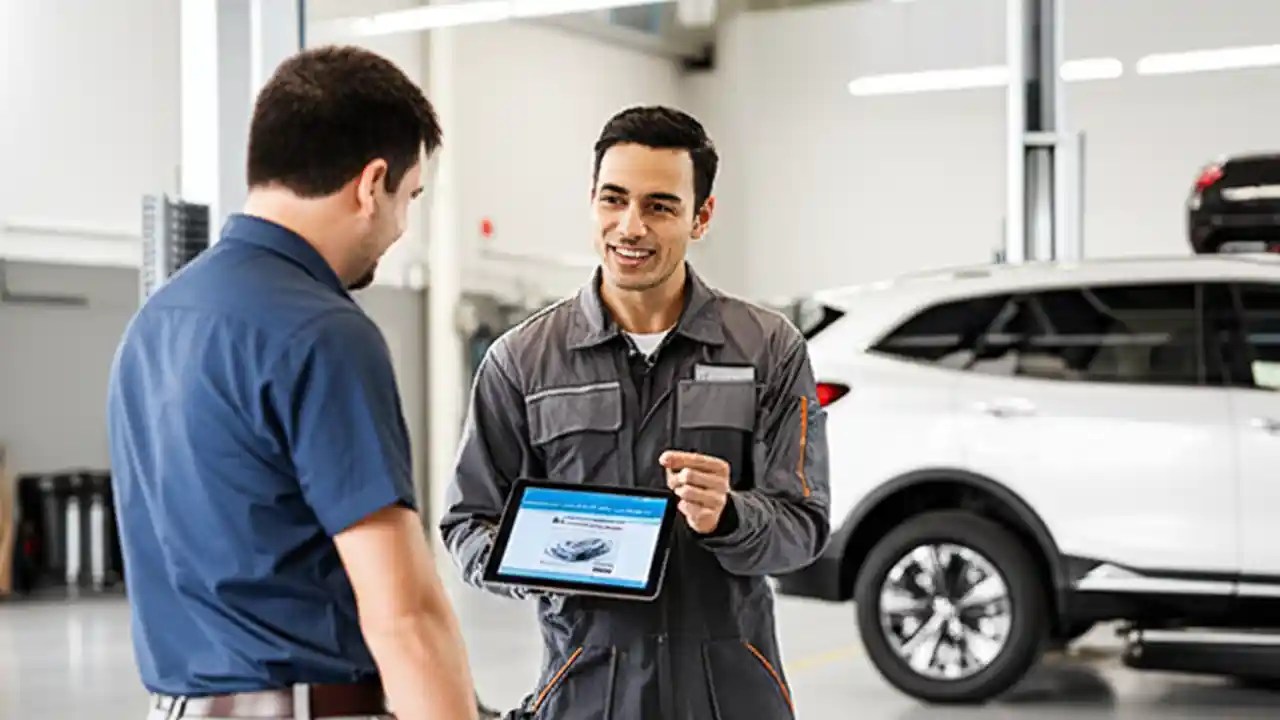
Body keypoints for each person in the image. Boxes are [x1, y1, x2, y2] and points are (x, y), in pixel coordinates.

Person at [107, 46, 479, 720]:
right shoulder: (325, 333)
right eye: (409, 197)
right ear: (372, 184)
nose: (400, 227)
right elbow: (404, 616)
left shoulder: (155, 323)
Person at [440, 106, 831, 720]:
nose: (630, 227)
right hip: (588, 692)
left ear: (701, 216)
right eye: (613, 200)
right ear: (591, 201)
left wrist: (731, 516)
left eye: (660, 206)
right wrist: (540, 559)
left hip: (732, 697)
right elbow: (467, 524)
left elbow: (803, 527)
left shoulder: (768, 349)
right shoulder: (522, 362)